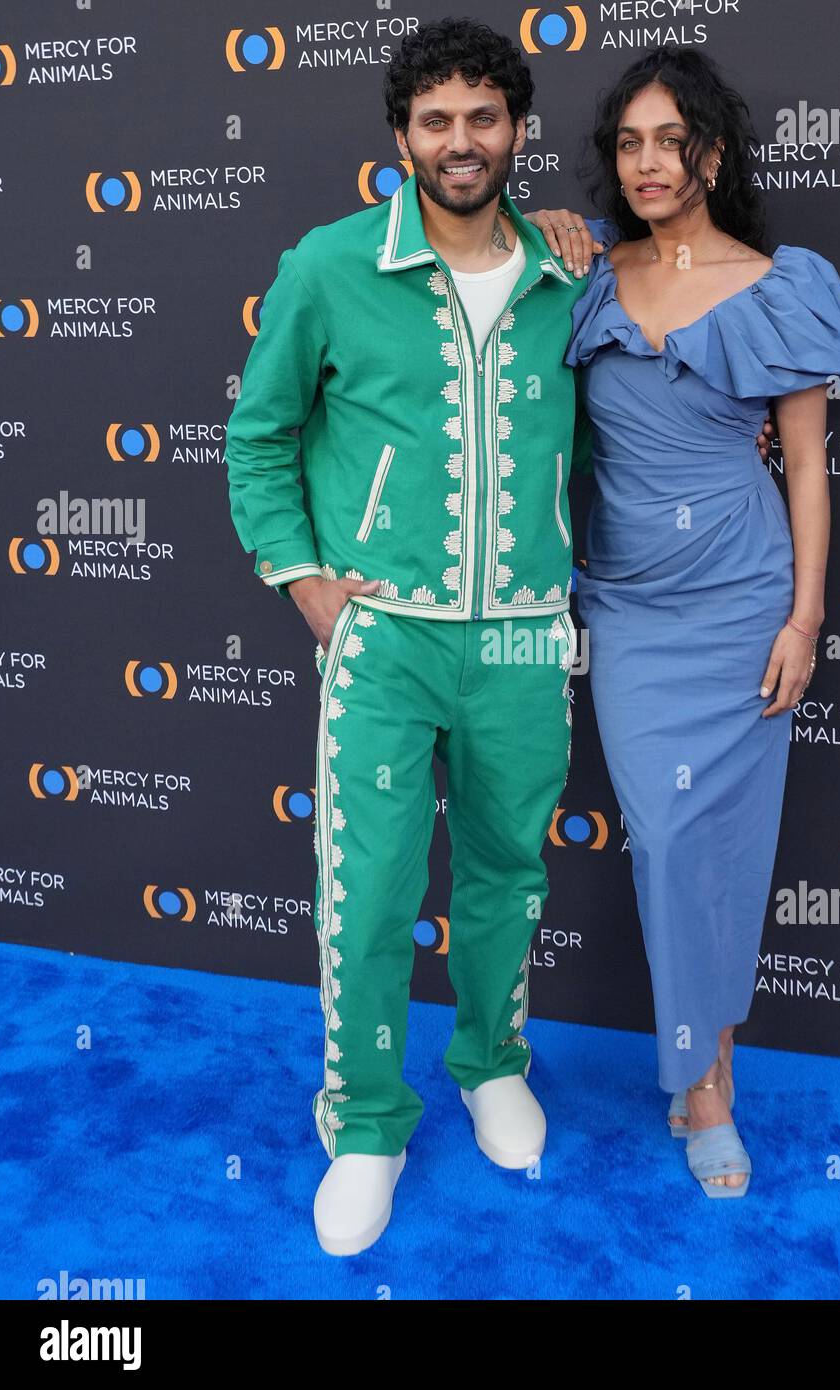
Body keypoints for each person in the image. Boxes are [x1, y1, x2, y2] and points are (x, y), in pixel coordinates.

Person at [224, 18, 595, 1256]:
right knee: (369, 890)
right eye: (433, 121)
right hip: (383, 642)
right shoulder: (329, 266)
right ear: (399, 139)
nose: (459, 141)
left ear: (516, 132)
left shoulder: (564, 275)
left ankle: (491, 1062)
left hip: (528, 640)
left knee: (506, 873)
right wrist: (305, 583)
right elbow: (259, 435)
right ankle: (368, 1121)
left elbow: (623, 426)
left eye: (481, 118)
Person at [527, 46, 840, 1198]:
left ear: (711, 154)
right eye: (626, 143)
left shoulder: (781, 285)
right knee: (667, 839)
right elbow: (466, 267)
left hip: (741, 598)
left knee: (719, 850)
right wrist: (544, 226)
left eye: (667, 141)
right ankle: (694, 1058)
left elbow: (810, 473)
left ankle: (709, 1083)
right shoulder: (581, 271)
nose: (644, 163)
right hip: (626, 606)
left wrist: (804, 616)